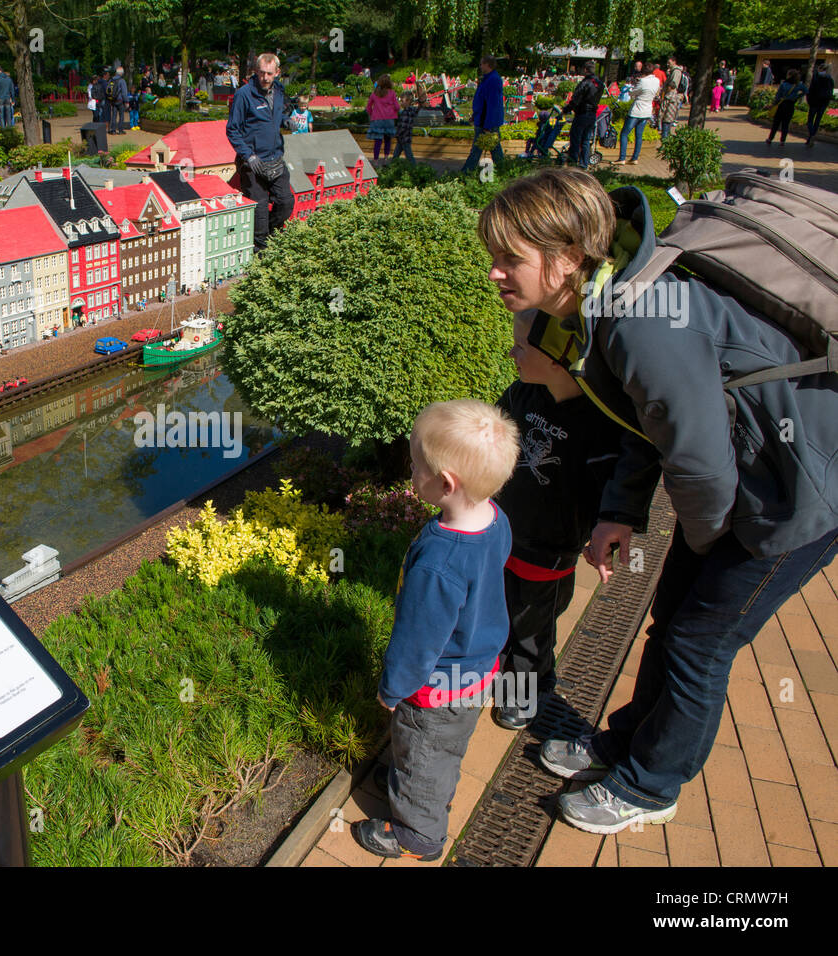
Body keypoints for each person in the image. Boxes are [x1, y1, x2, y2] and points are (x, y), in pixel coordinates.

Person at [478, 166, 838, 834]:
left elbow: (698, 461)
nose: (494, 273)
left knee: (699, 642)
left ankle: (651, 786)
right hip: (761, 479)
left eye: (508, 258)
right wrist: (622, 510)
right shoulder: (611, 297)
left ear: (564, 260)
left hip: (803, 494)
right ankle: (625, 746)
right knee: (671, 623)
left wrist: (705, 549)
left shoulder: (638, 319)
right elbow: (644, 422)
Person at [350, 399, 520, 860]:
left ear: (445, 483)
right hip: (478, 664)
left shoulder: (440, 564)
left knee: (420, 756)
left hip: (437, 686)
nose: (410, 470)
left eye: (414, 465)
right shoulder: (495, 520)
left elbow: (418, 640)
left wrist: (394, 687)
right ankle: (435, 788)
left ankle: (416, 833)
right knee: (444, 748)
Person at [489, 313, 649, 729]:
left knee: (531, 628)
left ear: (559, 360)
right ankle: (516, 673)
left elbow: (607, 487)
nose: (511, 352)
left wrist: (603, 539)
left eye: (521, 346)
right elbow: (492, 440)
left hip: (549, 550)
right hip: (503, 534)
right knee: (504, 611)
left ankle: (525, 691)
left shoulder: (598, 422)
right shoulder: (523, 394)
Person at [226, 52, 294, 254]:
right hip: (252, 163)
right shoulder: (244, 95)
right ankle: (261, 251)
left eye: (269, 74)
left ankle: (272, 234)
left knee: (285, 202)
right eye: (262, 73)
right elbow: (232, 130)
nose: (265, 78)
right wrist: (249, 155)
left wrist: (285, 120)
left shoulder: (279, 91)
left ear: (277, 73)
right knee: (260, 210)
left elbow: (277, 114)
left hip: (275, 158)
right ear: (255, 71)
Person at [461, 56, 505, 173]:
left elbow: (492, 104)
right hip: (483, 119)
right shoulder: (488, 79)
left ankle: (466, 172)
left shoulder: (493, 80)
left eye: (482, 64)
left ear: (487, 65)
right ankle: (504, 170)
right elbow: (483, 101)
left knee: (477, 151)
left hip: (485, 122)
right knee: (494, 150)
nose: (480, 66)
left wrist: (488, 125)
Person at [563, 61, 604, 168]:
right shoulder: (599, 83)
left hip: (582, 113)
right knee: (586, 140)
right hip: (592, 114)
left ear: (585, 70)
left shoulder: (585, 83)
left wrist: (566, 109)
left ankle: (572, 162)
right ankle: (584, 164)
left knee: (575, 139)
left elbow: (576, 99)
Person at [617, 62, 659, 164]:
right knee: (639, 135)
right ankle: (635, 158)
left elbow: (632, 93)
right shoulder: (656, 80)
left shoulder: (643, 81)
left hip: (637, 110)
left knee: (624, 133)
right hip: (647, 109)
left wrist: (634, 86)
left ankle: (622, 158)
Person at [766, 70, 807, 146]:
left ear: (790, 75)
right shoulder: (799, 85)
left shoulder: (784, 84)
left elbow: (778, 96)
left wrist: (773, 104)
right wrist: (796, 97)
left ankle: (770, 139)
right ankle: (782, 141)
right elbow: (806, 91)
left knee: (776, 123)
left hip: (782, 104)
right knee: (785, 124)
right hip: (790, 105)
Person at [365, 75, 400, 160]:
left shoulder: (374, 94)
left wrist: (372, 114)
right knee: (387, 141)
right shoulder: (392, 93)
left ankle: (376, 159)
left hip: (377, 120)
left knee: (378, 141)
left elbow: (368, 107)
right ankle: (386, 158)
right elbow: (397, 107)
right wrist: (394, 112)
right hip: (389, 120)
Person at [804, 62, 834, 147]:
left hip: (814, 102)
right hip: (823, 103)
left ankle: (811, 135)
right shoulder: (830, 79)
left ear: (820, 69)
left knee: (810, 120)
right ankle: (811, 136)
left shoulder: (816, 78)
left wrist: (809, 100)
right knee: (817, 120)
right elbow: (830, 92)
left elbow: (811, 90)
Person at [658, 58, 685, 139]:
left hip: (671, 97)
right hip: (672, 97)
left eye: (669, 62)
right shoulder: (673, 71)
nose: (667, 64)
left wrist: (666, 91)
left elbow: (673, 84)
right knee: (668, 123)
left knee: (666, 122)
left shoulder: (676, 72)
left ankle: (665, 141)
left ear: (674, 62)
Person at [391, 90, 420, 163]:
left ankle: (415, 169)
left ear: (407, 101)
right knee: (396, 154)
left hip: (403, 138)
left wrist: (396, 134)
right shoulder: (411, 111)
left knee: (409, 156)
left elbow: (403, 127)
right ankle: (392, 166)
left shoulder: (405, 112)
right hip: (405, 138)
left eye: (402, 101)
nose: (400, 103)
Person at [111, 66, 131, 134]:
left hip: (113, 100)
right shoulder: (122, 81)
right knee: (121, 115)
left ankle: (113, 130)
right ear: (122, 73)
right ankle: (120, 130)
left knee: (114, 115)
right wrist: (126, 101)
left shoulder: (112, 80)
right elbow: (124, 93)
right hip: (120, 100)